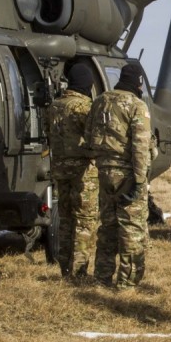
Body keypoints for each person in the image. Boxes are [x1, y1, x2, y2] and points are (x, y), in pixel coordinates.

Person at [85, 63, 153, 290]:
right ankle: (127, 283)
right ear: (138, 83)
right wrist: (140, 180)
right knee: (132, 231)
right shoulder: (136, 105)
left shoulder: (100, 101)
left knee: (107, 228)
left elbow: (88, 135)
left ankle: (102, 278)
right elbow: (140, 146)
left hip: (103, 171)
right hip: (127, 174)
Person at [47, 60, 99, 279]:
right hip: (82, 172)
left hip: (60, 168)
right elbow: (94, 139)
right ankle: (79, 272)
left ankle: (65, 269)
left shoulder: (55, 105)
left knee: (66, 219)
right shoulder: (84, 107)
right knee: (85, 221)